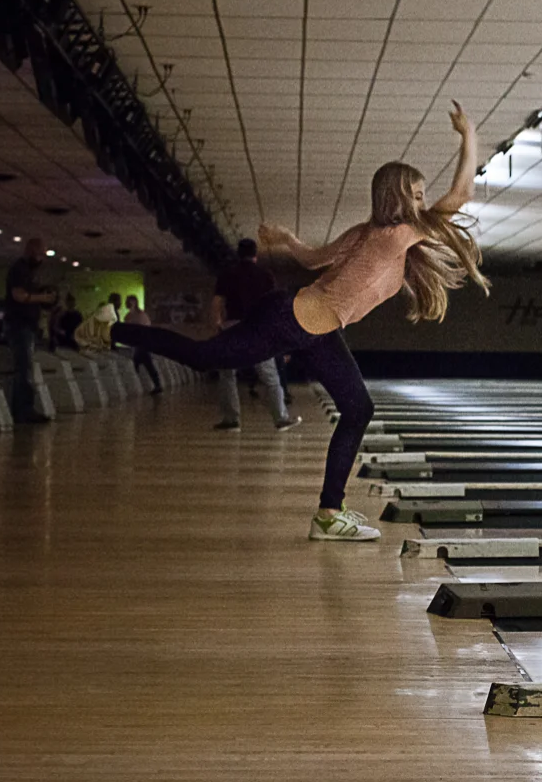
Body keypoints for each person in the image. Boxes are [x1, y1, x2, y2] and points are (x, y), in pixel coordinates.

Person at [101, 101, 487, 542]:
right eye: (416, 195)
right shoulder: (396, 234)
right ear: (396, 197)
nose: (422, 202)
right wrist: (469, 136)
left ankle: (329, 513)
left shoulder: (369, 234)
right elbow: (461, 197)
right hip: (292, 323)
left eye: (422, 196)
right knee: (203, 357)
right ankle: (111, 328)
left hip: (313, 328)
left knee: (358, 408)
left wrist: (286, 239)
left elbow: (313, 259)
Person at [209, 239, 299, 432]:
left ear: (238, 254)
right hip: (258, 328)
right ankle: (281, 419)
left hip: (233, 327)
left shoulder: (227, 275)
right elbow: (274, 305)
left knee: (227, 374)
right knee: (270, 376)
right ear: (255, 256)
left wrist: (218, 323)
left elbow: (217, 302)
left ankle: (231, 420)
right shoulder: (265, 275)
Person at [5, 237, 59, 423]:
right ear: (30, 251)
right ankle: (23, 410)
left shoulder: (27, 271)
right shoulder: (19, 270)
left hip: (26, 326)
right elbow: (19, 296)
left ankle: (23, 408)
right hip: (19, 325)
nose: (41, 258)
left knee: (25, 368)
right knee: (23, 368)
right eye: (39, 254)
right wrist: (42, 298)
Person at [121, 294, 164, 395]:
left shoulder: (140, 315)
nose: (128, 303)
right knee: (145, 364)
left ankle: (153, 385)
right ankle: (155, 384)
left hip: (142, 344)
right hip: (138, 344)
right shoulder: (128, 316)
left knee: (142, 364)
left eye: (130, 301)